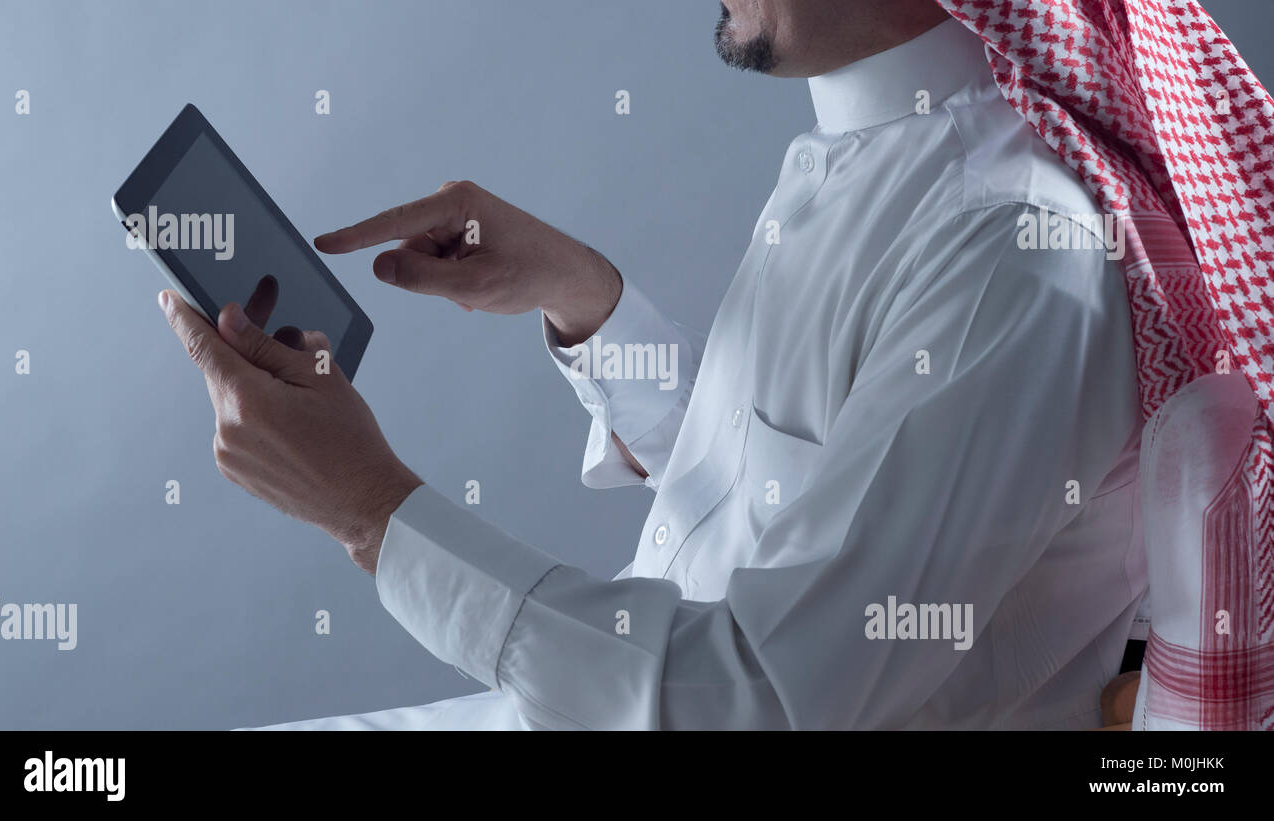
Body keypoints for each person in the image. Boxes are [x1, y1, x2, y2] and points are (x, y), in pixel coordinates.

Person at [159, 0, 1271, 730]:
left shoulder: (1009, 254)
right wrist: (583, 299)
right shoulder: (881, 149)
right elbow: (772, 490)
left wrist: (367, 509)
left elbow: (759, 706)